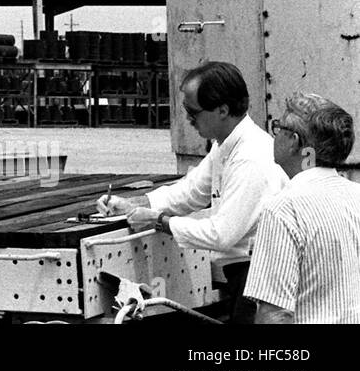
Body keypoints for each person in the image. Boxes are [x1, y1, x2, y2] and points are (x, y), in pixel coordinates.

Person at [97, 61, 287, 261]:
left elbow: (220, 235)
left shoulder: (250, 157)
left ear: (222, 110)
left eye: (193, 112)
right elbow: (191, 192)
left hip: (254, 271)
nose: (188, 120)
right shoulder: (225, 145)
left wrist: (159, 221)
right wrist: (133, 204)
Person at [244, 92, 360, 323]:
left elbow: (275, 315)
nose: (274, 135)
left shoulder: (283, 210)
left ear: (295, 142)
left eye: (278, 127)